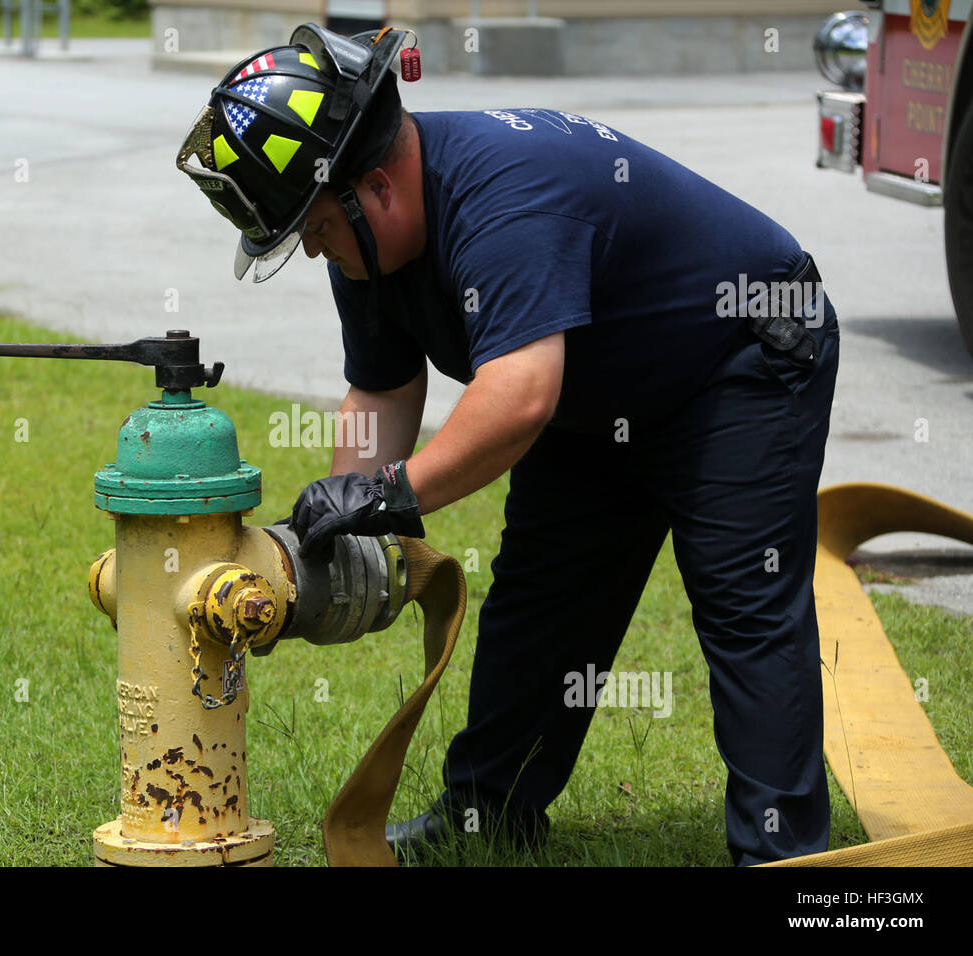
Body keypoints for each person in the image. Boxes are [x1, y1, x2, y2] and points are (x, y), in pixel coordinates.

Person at [176, 23, 839, 866]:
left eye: (312, 228)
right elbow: (382, 387)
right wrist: (339, 536)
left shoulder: (505, 198)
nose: (310, 248)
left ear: (373, 187)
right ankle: (491, 815)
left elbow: (520, 399)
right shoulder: (364, 244)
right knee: (541, 598)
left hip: (742, 356)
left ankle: (787, 861)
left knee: (746, 613)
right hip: (601, 386)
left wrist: (391, 496)